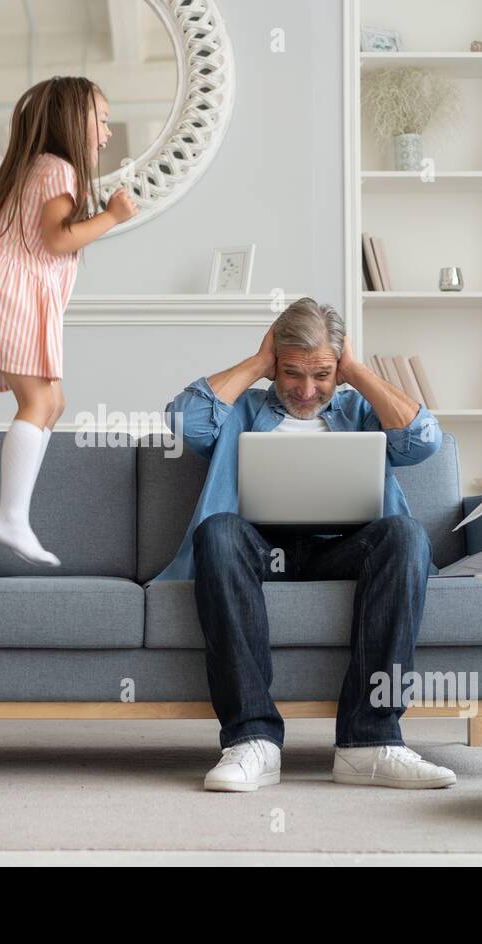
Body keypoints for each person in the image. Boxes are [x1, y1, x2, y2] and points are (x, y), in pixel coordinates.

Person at [157, 297, 458, 792]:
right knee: (218, 531)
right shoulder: (243, 410)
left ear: (338, 367)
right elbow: (181, 423)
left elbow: (424, 440)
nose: (306, 389)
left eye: (322, 374)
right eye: (292, 372)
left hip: (343, 550)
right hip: (257, 551)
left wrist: (356, 372)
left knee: (406, 533)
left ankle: (369, 743)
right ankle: (252, 741)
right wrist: (257, 362)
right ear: (275, 364)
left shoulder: (359, 409)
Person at [0, 76, 138, 566]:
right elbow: (58, 239)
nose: (107, 132)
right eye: (101, 119)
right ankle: (10, 515)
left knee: (53, 402)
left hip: (6, 288)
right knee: (38, 400)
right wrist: (113, 216)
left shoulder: (37, 166)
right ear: (73, 120)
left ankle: (16, 512)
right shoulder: (59, 169)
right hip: (9, 289)